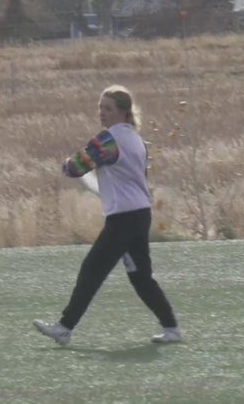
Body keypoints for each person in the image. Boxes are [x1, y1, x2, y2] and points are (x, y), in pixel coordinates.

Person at [33, 85, 181, 345]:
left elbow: (76, 167)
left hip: (123, 219)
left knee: (92, 269)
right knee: (140, 277)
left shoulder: (108, 139)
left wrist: (66, 164)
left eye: (108, 108)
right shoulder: (135, 138)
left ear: (123, 112)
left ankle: (64, 328)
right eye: (100, 108)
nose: (102, 113)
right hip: (139, 214)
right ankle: (171, 327)